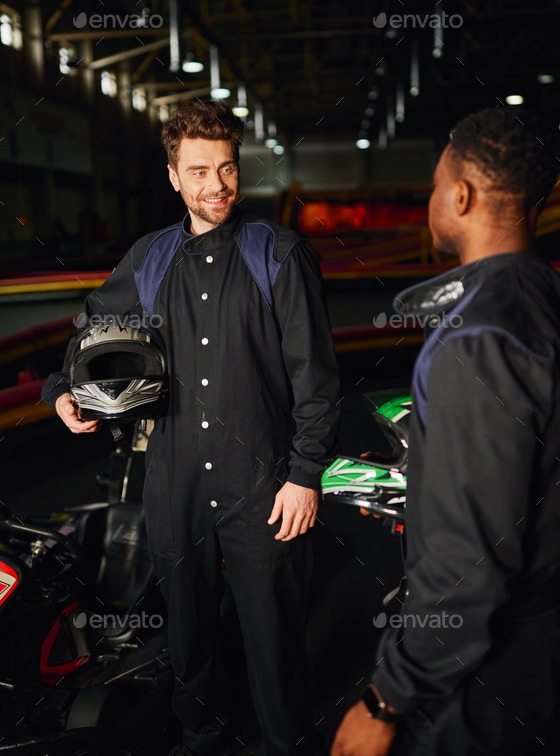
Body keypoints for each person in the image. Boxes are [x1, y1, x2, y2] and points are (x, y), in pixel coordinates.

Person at [42, 100, 341, 756]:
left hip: (265, 481)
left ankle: (288, 740)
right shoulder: (149, 260)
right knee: (189, 628)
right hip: (175, 480)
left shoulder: (281, 257)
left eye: (228, 169)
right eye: (200, 171)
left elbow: (315, 378)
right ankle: (202, 734)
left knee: (272, 629)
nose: (217, 186)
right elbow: (92, 330)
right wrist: (65, 389)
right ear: (174, 176)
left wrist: (304, 474)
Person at [332, 106, 560, 756]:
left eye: (434, 185)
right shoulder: (542, 297)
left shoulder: (474, 339)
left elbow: (470, 567)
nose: (430, 199)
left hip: (491, 671)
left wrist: (386, 697)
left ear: (460, 195)